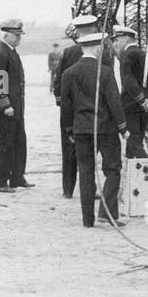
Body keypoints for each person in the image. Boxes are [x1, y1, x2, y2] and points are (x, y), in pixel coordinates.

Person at [59, 25, 127, 228]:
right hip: (105, 129)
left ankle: (87, 220)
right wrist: (123, 127)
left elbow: (66, 108)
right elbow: (114, 102)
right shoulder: (105, 73)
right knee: (113, 169)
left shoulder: (68, 74)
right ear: (98, 48)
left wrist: (69, 131)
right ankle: (107, 213)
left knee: (86, 172)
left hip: (81, 129)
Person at [54, 14, 100, 198]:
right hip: (93, 111)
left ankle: (68, 189)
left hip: (71, 111)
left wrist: (63, 104)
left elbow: (58, 83)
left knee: (68, 150)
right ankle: (89, 189)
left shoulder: (68, 53)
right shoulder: (101, 52)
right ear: (94, 30)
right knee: (90, 151)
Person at [0, 18, 32, 192]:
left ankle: (17, 178)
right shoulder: (0, 53)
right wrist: (5, 105)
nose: (19, 38)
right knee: (6, 145)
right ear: (7, 35)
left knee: (19, 142)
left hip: (16, 108)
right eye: (16, 35)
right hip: (5, 109)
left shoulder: (10, 51)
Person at [113, 25, 148, 159]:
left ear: (126, 39)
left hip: (130, 107)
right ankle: (133, 176)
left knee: (134, 142)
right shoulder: (145, 56)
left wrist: (142, 101)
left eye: (117, 40)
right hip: (145, 109)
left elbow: (129, 82)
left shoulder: (126, 55)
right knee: (135, 143)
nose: (115, 44)